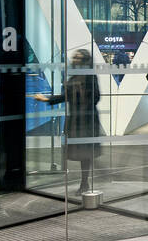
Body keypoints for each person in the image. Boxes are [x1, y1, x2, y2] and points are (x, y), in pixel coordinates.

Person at [34, 48, 102, 195]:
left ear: (85, 61)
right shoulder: (73, 78)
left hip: (87, 119)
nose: (75, 60)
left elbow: (96, 97)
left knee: (85, 152)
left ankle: (84, 183)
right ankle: (84, 182)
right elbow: (66, 96)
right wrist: (48, 99)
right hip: (76, 119)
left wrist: (82, 96)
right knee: (79, 150)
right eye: (74, 57)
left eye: (79, 58)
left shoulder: (90, 77)